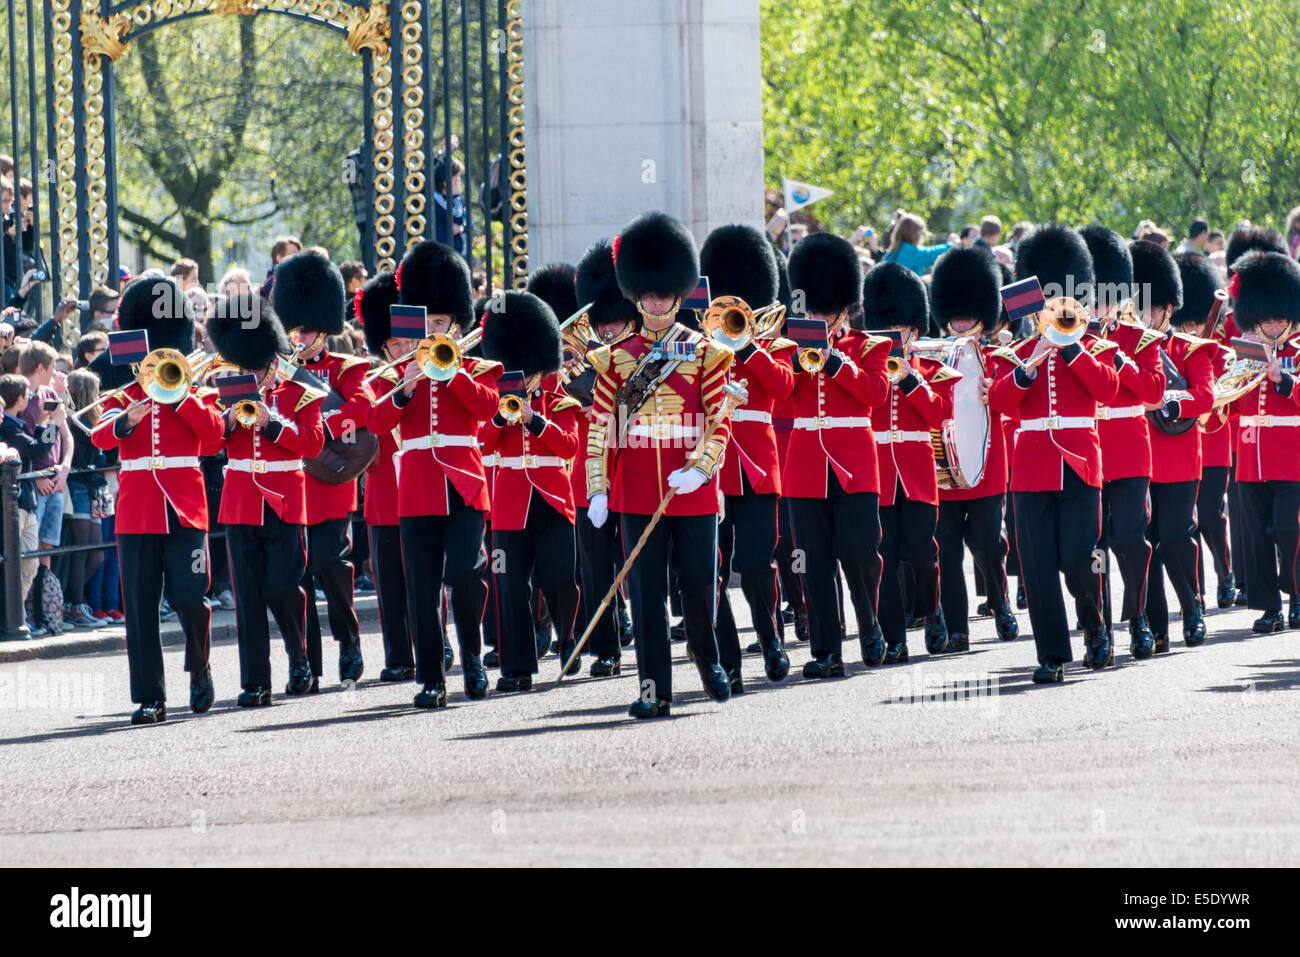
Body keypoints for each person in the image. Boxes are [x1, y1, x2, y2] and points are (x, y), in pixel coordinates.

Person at [585, 211, 735, 718]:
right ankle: (654, 691)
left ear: (677, 293)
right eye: (646, 293)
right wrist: (598, 488)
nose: (654, 301)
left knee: (697, 583)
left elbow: (719, 420)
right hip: (636, 490)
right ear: (637, 293)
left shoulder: (706, 354)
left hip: (689, 484)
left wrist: (701, 467)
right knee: (646, 597)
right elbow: (604, 428)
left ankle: (706, 653)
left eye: (662, 293)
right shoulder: (615, 359)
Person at [368, 240, 499, 708]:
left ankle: (473, 658)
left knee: (466, 576)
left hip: (464, 483)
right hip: (418, 488)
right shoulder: (398, 373)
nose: (430, 329)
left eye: (439, 322)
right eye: (425, 322)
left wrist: (453, 375)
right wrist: (406, 387)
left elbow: (489, 409)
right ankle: (430, 678)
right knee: (422, 586)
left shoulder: (480, 366)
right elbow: (378, 423)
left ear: (456, 325)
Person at [987, 224, 1119, 683]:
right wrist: (1032, 360)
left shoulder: (1091, 345)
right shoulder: (1017, 351)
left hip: (1080, 464)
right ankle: (1051, 656)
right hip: (1031, 469)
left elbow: (1109, 386)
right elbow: (1001, 402)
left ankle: (1095, 627)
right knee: (1038, 566)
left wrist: (1070, 348)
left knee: (1079, 559)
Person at [91, 278, 224, 724]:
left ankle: (200, 666)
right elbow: (99, 435)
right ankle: (151, 696)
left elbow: (214, 436)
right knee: (141, 609)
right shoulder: (124, 395)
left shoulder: (195, 391)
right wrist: (128, 418)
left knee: (190, 597)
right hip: (138, 511)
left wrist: (179, 395)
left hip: (185, 508)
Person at [783, 232, 891, 677]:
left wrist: (832, 361)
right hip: (806, 465)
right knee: (814, 560)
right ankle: (826, 650)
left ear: (844, 310)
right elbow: (781, 394)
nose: (819, 318)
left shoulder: (870, 347)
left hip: (854, 464)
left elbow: (876, 395)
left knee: (859, 552)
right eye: (813, 311)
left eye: (826, 312)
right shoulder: (790, 349)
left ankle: (869, 623)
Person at [210, 291, 325, 706]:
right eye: (246, 364)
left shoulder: (301, 393)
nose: (253, 372)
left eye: (258, 365)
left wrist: (271, 421)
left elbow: (312, 444)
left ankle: (300, 658)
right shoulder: (224, 390)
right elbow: (208, 442)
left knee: (283, 587)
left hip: (285, 501)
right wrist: (226, 419)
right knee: (249, 599)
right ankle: (255, 681)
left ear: (273, 361)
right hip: (241, 501)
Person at [700, 224, 794, 688]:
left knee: (757, 562)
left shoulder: (775, 346)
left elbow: (783, 386)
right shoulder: (699, 347)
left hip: (757, 468)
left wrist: (747, 344)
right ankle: (728, 660)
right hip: (710, 468)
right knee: (709, 568)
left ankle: (771, 638)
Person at [272, 249, 370, 688]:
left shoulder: (345, 368)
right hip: (291, 484)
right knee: (295, 579)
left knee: (331, 566)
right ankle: (302, 660)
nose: (298, 337)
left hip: (329, 482)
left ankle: (349, 641)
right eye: (292, 330)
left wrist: (320, 426)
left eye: (305, 330)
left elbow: (363, 409)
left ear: (323, 330)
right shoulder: (277, 374)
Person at [480, 292, 581, 691]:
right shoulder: (497, 397)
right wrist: (503, 419)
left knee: (558, 581)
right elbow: (484, 443)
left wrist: (534, 419)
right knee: (509, 584)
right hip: (509, 503)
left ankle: (567, 638)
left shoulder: (559, 400)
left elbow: (570, 447)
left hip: (552, 500)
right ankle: (516, 666)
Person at [863, 261, 957, 660]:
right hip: (880, 471)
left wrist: (909, 379)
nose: (892, 335)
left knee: (921, 552)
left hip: (917, 472)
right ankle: (894, 637)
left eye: (899, 328)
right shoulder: (868, 367)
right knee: (884, 557)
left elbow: (939, 415)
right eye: (886, 327)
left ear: (915, 331)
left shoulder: (933, 368)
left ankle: (932, 609)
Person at [1079, 224, 1164, 657]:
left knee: (1131, 541)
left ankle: (1138, 617)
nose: (1100, 306)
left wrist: (1117, 357)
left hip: (1129, 452)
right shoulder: (1067, 337)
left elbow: (1153, 391)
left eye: (1107, 297)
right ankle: (1097, 630)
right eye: (1092, 296)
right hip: (1086, 454)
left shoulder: (1139, 338)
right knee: (1091, 549)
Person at [930, 245, 1019, 651]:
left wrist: (994, 391)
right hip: (943, 468)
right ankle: (957, 628)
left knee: (986, 542)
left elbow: (1011, 403)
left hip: (986, 464)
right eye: (957, 315)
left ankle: (999, 601)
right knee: (946, 548)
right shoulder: (932, 356)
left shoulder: (999, 356)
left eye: (969, 315)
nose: (963, 321)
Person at [1131, 240, 1213, 652]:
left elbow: (1205, 396)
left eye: (1153, 309)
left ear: (1168, 309)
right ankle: (1155, 624)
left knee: (1176, 538)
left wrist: (1167, 399)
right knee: (1145, 541)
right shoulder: (1123, 350)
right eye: (1139, 308)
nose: (1146, 316)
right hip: (1137, 457)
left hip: (1180, 457)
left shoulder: (1187, 348)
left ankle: (1193, 605)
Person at [570, 239, 639, 675]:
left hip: (635, 469)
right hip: (591, 472)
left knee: (640, 559)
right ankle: (606, 648)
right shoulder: (581, 363)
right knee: (596, 567)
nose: (609, 331)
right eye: (604, 325)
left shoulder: (648, 357)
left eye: (616, 324)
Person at [1223, 251, 1300, 632]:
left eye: (1279, 318)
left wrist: (1283, 380)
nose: (1273, 325)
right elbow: (1231, 407)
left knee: (1289, 529)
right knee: (1255, 538)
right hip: (1251, 455)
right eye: (1267, 318)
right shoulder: (1242, 350)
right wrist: (1235, 376)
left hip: (1291, 455)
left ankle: (1298, 593)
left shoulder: (1297, 354)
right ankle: (1269, 607)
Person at [356, 270, 416, 681]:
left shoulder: (438, 370)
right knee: (390, 582)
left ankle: (438, 644)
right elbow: (375, 422)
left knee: (424, 576)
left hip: (421, 490)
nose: (403, 349)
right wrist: (403, 390)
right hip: (384, 494)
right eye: (395, 343)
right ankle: (398, 654)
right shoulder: (375, 381)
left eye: (408, 342)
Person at [1172, 253, 1234, 609]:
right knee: (1186, 523)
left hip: (1212, 438)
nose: (1195, 327)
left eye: (1199, 321)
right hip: (1178, 439)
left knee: (1210, 514)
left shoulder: (1219, 347)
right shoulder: (1170, 346)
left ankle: (1224, 573)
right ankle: (1195, 593)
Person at [0, 372, 57, 634]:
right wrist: (50, 424)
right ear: (21, 398)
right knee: (17, 562)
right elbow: (37, 449)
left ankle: (17, 615)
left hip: (27, 503)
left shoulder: (15, 424)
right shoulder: (9, 427)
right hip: (17, 503)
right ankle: (12, 619)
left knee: (30, 562)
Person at [62, 370, 108, 629]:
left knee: (97, 555)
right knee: (82, 550)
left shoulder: (93, 418)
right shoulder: (74, 420)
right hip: (78, 485)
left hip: (93, 488)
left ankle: (74, 602)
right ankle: (75, 605)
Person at [880, 212, 952, 275]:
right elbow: (933, 252)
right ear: (915, 235)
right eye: (921, 233)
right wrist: (951, 244)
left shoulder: (890, 253)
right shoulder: (913, 252)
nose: (922, 236)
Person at [432, 156, 467, 256]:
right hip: (442, 253)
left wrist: (462, 228)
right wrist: (457, 196)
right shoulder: (437, 198)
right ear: (445, 182)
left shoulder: (451, 199)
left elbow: (469, 221)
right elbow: (458, 216)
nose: (459, 180)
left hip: (455, 253)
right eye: (456, 179)